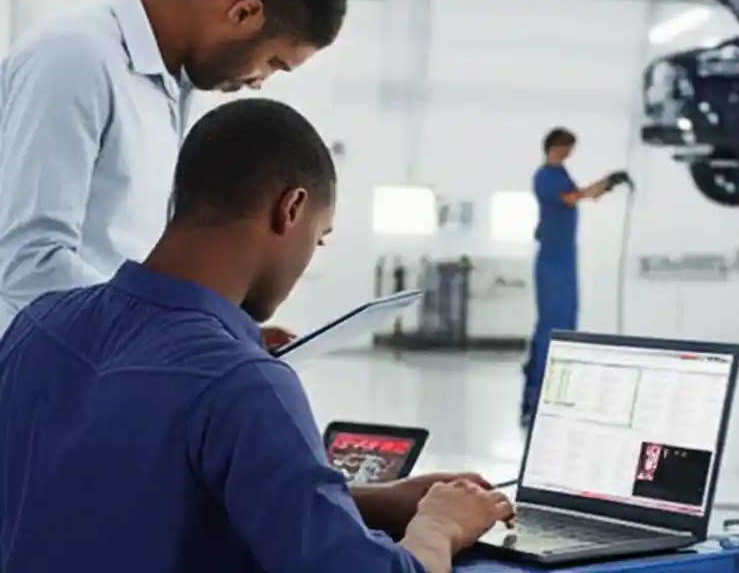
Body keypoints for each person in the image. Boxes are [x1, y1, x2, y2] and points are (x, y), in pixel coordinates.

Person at [0, 99, 512, 572]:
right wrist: (439, 524)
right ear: (290, 208)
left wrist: (367, 500)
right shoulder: (243, 382)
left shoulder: (37, 325)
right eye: (320, 236)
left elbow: (121, 497)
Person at [0, 0, 348, 346]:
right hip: (35, 378)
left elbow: (140, 264)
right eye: (274, 62)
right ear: (244, 12)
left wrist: (227, 334)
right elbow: (26, 262)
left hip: (105, 363)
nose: (261, 81)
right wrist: (179, 337)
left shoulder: (172, 90)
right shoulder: (76, 58)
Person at [522, 128, 630, 426]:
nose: (569, 153)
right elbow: (572, 198)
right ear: (554, 147)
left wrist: (606, 186)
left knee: (565, 325)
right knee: (553, 328)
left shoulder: (561, 173)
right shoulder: (545, 176)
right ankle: (536, 395)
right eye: (567, 148)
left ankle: (551, 393)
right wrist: (606, 182)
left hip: (564, 257)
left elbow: (580, 196)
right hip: (553, 261)